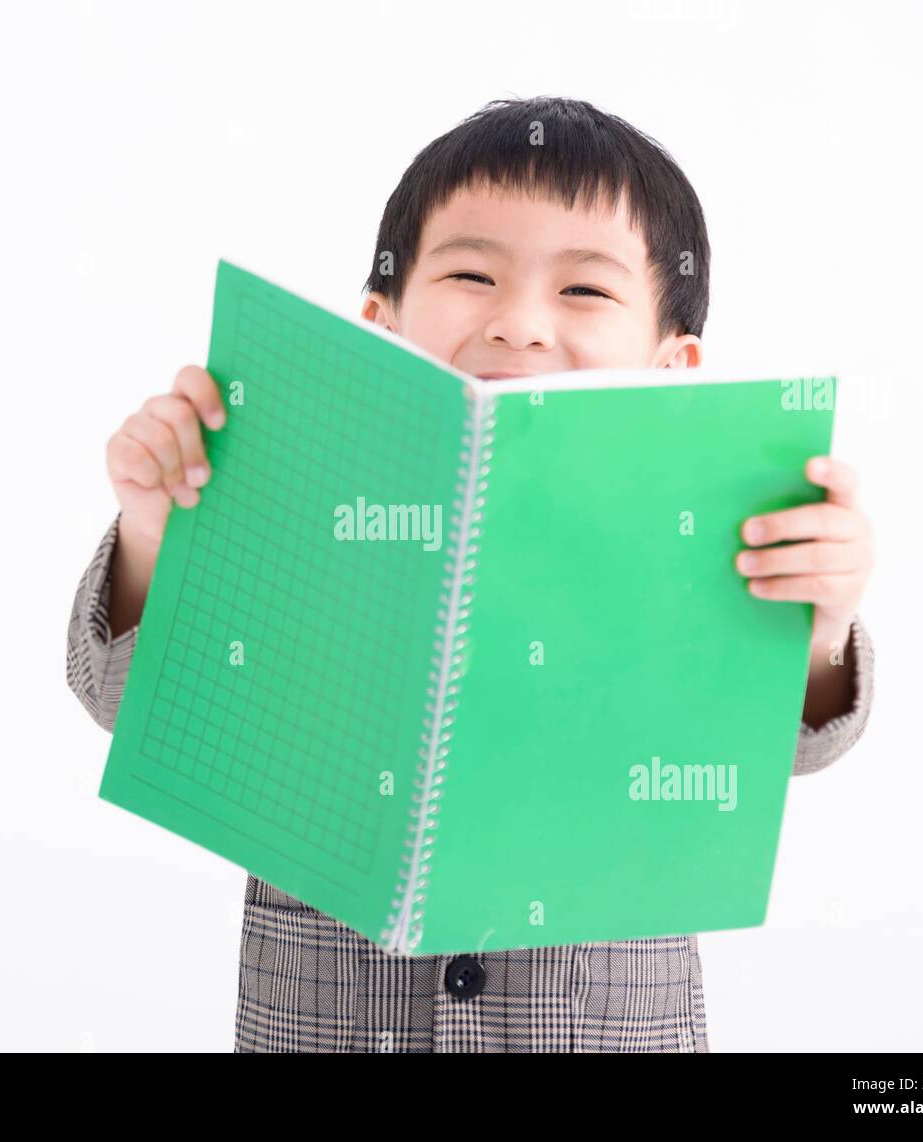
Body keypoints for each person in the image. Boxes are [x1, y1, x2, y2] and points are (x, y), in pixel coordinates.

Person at [66, 95, 875, 1052]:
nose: (519, 324)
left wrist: (823, 627)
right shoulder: (296, 497)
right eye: (470, 273)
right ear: (381, 320)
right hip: (326, 1022)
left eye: (584, 291)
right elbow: (119, 698)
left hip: (602, 1031)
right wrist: (159, 532)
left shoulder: (707, 532)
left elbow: (803, 749)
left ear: (672, 367)